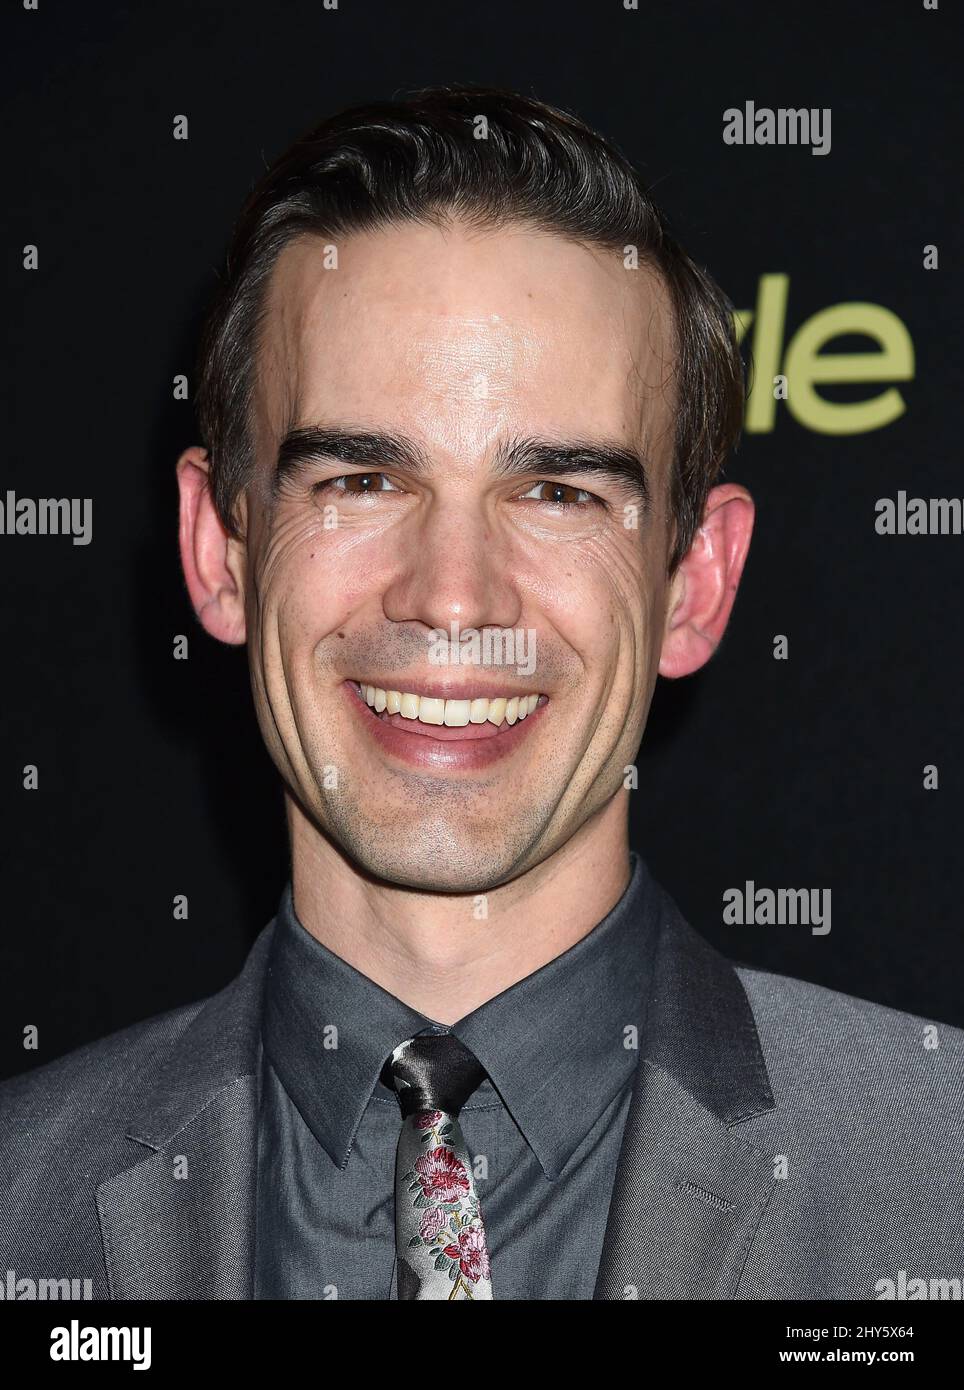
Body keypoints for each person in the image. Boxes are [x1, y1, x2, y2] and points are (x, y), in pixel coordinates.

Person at [2, 84, 961, 1302]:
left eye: (559, 492)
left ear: (694, 583)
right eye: (359, 478)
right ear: (218, 550)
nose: (453, 598)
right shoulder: (21, 1201)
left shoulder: (941, 1180)